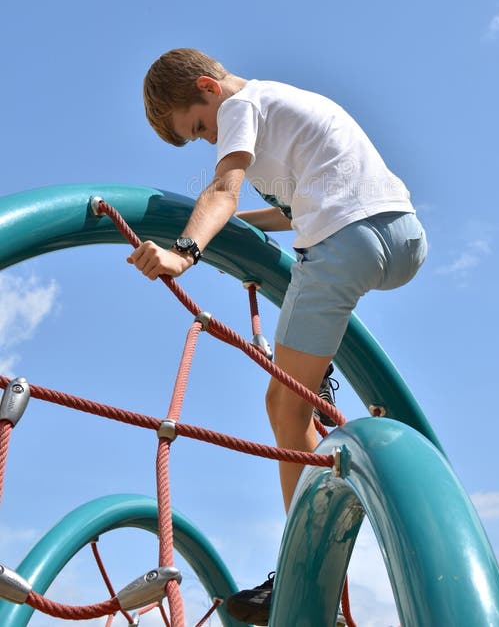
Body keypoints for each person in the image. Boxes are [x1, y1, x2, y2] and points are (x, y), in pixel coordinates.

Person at [129, 47, 427, 625]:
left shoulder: (240, 103)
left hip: (344, 242)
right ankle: (316, 529)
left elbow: (222, 188)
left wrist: (184, 251)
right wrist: (228, 228)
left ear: (207, 89)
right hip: (400, 235)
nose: (208, 138)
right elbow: (289, 212)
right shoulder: (284, 104)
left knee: (283, 408)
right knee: (296, 404)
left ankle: (303, 572)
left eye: (198, 127)